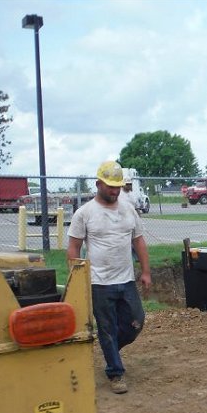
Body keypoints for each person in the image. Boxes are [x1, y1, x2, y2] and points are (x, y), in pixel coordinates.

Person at [67, 161, 151, 394]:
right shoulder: (84, 213)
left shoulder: (128, 210)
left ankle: (110, 347)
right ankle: (115, 372)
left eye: (118, 187)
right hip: (98, 282)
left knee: (136, 322)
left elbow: (139, 241)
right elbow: (73, 247)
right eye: (111, 186)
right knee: (106, 327)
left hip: (125, 280)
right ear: (98, 184)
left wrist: (145, 272)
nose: (115, 191)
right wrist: (76, 277)